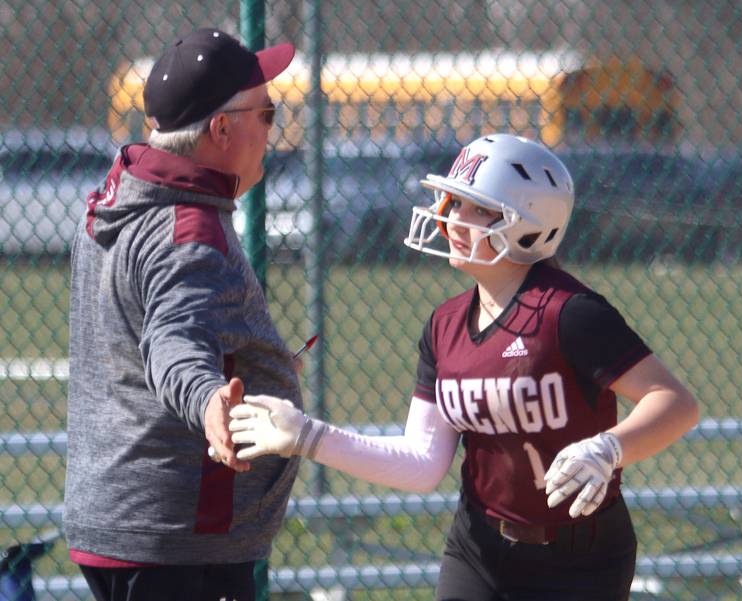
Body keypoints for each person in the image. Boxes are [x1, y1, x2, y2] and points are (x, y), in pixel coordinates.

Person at [227, 133, 701, 601]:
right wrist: (306, 436)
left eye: (476, 208)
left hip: (580, 557)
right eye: (453, 203)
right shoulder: (445, 325)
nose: (451, 218)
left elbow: (675, 402)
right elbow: (421, 463)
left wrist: (608, 449)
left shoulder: (569, 313)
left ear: (528, 223)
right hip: (478, 548)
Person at [65, 28, 302, 601]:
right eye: (267, 113)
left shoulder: (121, 204)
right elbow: (173, 344)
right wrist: (207, 399)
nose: (273, 129)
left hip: (124, 516)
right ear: (221, 129)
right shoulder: (189, 230)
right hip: (178, 536)